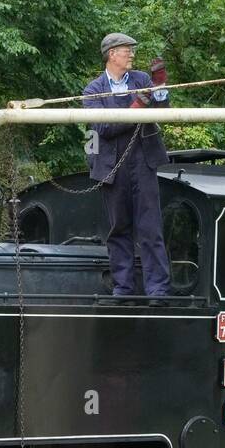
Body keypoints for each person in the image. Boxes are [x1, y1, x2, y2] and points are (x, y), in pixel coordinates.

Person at [82, 32, 173, 298]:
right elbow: (104, 127)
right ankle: (123, 288)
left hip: (143, 161)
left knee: (150, 226)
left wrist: (160, 86)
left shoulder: (142, 80)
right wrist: (137, 107)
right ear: (112, 54)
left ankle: (158, 289)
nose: (132, 54)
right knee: (118, 227)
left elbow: (162, 109)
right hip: (112, 166)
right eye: (127, 50)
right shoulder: (92, 90)